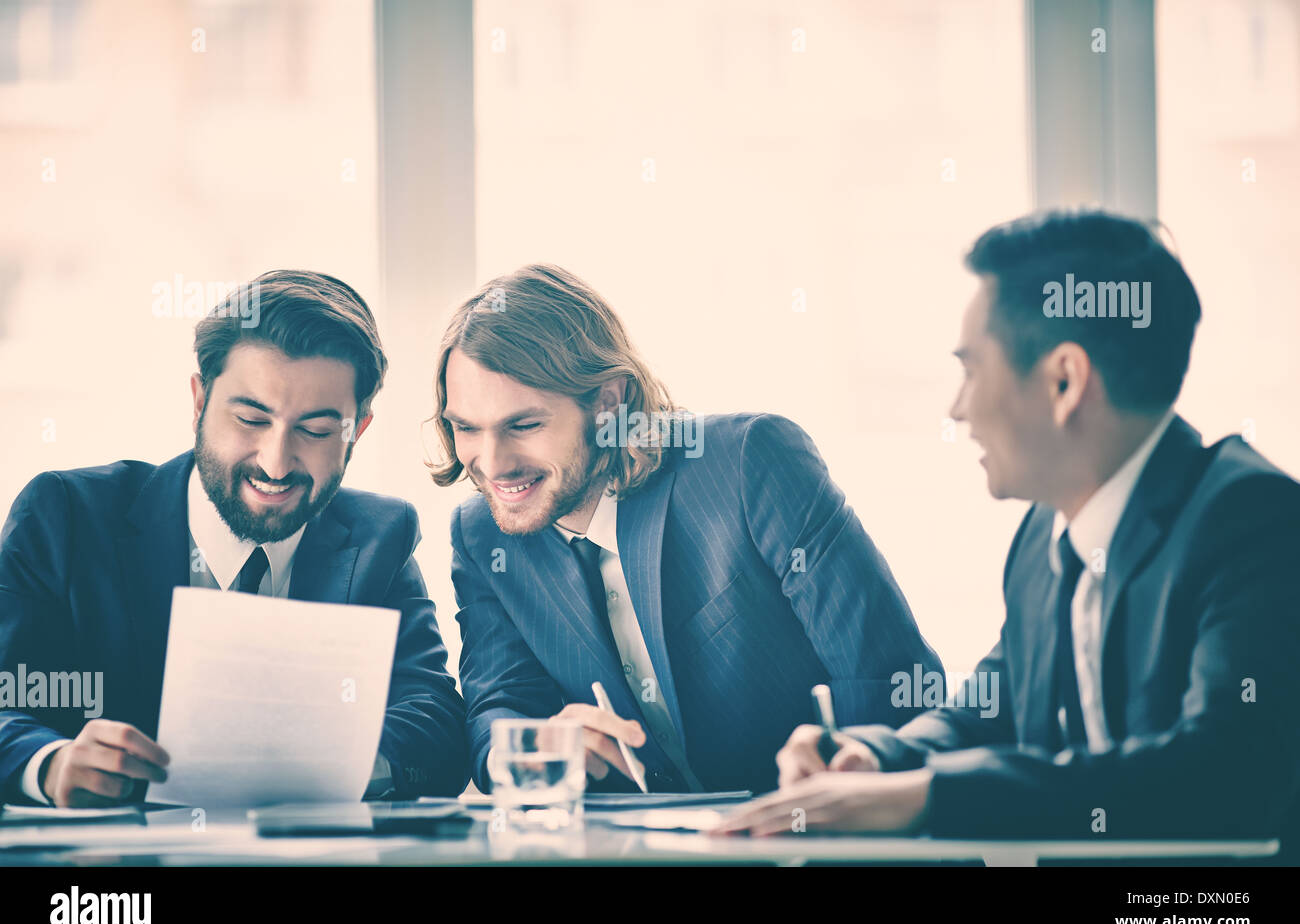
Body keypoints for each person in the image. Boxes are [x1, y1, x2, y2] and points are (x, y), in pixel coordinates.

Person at [719, 210, 1300, 855]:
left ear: (1064, 381)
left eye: (970, 370)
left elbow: (1226, 775)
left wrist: (930, 796)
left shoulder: (1252, 519)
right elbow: (992, 713)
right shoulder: (1044, 538)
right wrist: (874, 755)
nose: (957, 408)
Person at [433, 263, 942, 794]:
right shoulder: (481, 536)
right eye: (466, 427)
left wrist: (844, 796)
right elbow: (500, 704)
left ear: (608, 402)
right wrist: (530, 750)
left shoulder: (748, 461)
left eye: (525, 425)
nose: (493, 464)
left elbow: (889, 677)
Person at [0, 270, 468, 807]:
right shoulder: (66, 517)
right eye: (250, 419)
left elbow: (434, 723)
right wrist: (50, 763)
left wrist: (319, 764)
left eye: (315, 431)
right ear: (199, 401)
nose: (275, 462)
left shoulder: (377, 536)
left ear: (356, 430)